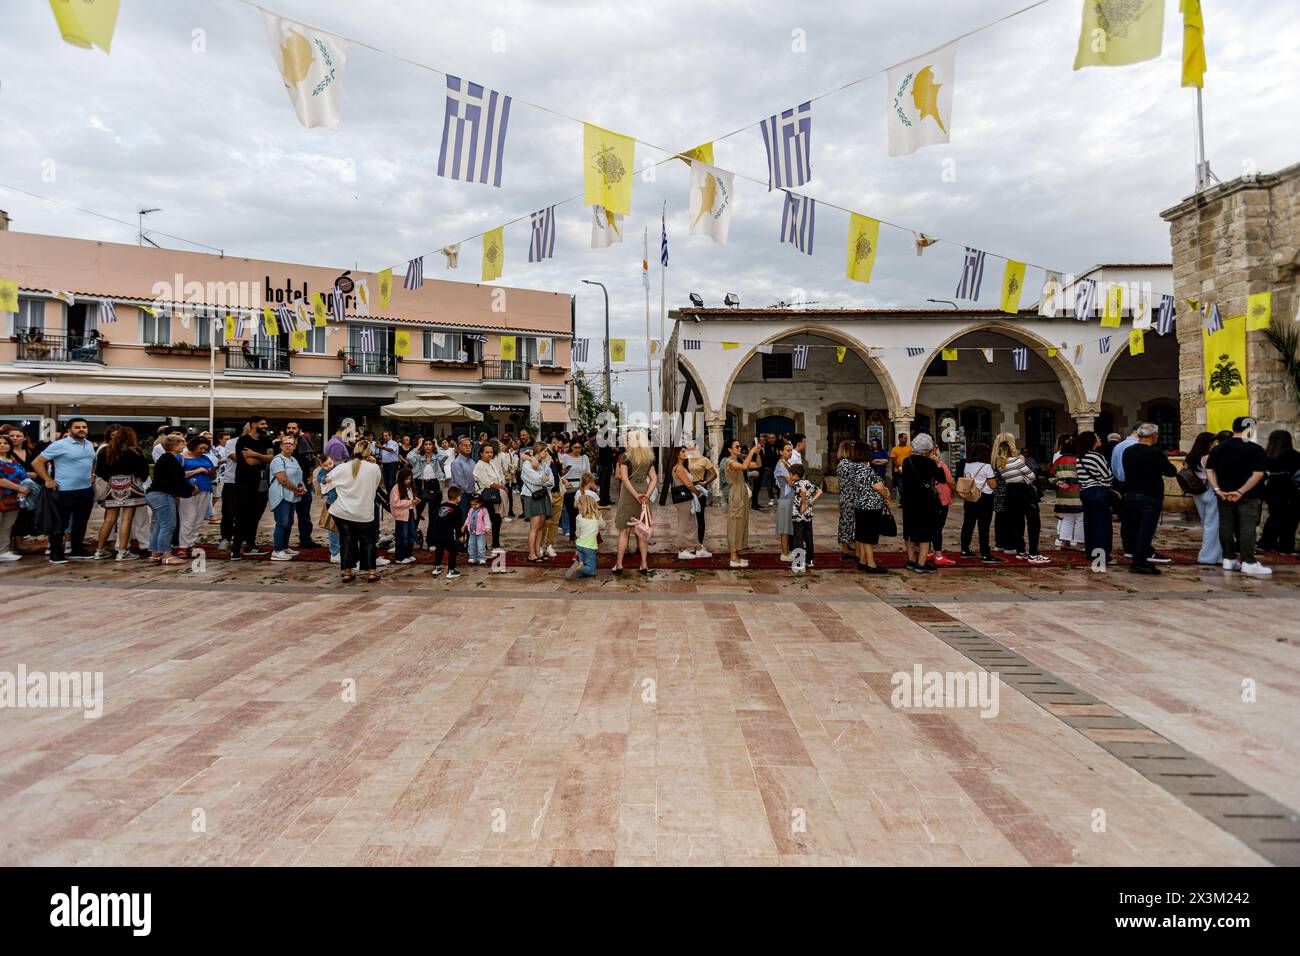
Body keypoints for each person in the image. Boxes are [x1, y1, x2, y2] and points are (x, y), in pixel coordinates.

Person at [1205, 416, 1271, 575]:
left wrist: (1217, 489)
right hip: (1248, 495)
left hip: (1224, 494)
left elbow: (1209, 470)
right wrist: (1241, 491)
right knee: (1247, 527)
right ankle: (1249, 562)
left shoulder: (1219, 448)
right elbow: (1258, 474)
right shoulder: (1255, 449)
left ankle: (1229, 559)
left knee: (1226, 526)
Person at [32, 417, 97, 564]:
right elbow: (37, 462)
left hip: (85, 490)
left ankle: (77, 549)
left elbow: (90, 461)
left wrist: (92, 474)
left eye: (84, 427)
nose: (82, 429)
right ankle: (55, 552)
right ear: (69, 430)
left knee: (81, 522)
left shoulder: (88, 444)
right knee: (60, 523)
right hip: (64, 490)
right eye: (77, 427)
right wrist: (48, 480)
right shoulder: (59, 445)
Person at [1120, 422, 1177, 574]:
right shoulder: (1155, 453)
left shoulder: (1128, 451)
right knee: (1146, 530)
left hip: (1130, 494)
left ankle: (1136, 556)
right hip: (1149, 495)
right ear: (1154, 436)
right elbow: (1171, 471)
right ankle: (1139, 562)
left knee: (1134, 527)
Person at [325, 439, 383, 583]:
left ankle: (347, 572)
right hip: (363, 512)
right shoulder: (374, 468)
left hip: (342, 511)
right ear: (369, 452)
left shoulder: (343, 467)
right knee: (368, 541)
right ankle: (371, 572)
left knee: (346, 540)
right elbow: (375, 485)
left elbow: (325, 481)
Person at [92, 425, 149, 561]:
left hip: (112, 485)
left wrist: (111, 478)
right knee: (126, 519)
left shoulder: (105, 450)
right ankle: (122, 552)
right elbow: (144, 471)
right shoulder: (134, 451)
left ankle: (99, 551)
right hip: (131, 485)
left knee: (109, 519)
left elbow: (99, 471)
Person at [613, 431, 657, 574]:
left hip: (628, 494)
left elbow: (625, 479)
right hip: (643, 491)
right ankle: (643, 564)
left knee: (624, 530)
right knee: (642, 530)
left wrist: (635, 495)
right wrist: (646, 495)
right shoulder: (648, 458)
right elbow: (654, 479)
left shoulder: (625, 457)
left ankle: (619, 564)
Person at [231, 416, 274, 560]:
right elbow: (249, 462)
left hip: (262, 483)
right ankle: (235, 549)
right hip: (244, 484)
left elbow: (271, 458)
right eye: (262, 423)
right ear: (253, 424)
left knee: (256, 516)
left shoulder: (267, 440)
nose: (265, 426)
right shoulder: (243, 441)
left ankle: (251, 545)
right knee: (242, 516)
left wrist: (255, 455)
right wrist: (263, 458)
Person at [1075, 431, 1119, 566]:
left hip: (1085, 492)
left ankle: (1091, 553)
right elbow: (1107, 476)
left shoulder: (1080, 457)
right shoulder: (1096, 456)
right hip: (1097, 493)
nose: (1099, 438)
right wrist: (1110, 487)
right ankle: (1102, 556)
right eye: (1096, 437)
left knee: (1090, 524)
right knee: (1102, 525)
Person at [147, 434, 192, 565]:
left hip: (154, 494)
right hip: (162, 495)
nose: (184, 445)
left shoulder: (165, 458)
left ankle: (154, 554)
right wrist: (190, 489)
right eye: (182, 443)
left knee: (159, 525)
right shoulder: (170, 460)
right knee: (168, 525)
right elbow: (177, 480)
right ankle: (166, 554)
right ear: (173, 445)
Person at [900, 433, 941, 573]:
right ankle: (921, 563)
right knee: (925, 530)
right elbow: (941, 477)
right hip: (925, 500)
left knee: (909, 530)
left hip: (909, 500)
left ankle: (911, 560)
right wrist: (937, 463)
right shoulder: (929, 463)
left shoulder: (907, 461)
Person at [1183, 431, 1222, 565]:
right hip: (1209, 491)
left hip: (1197, 492)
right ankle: (1208, 556)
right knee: (1213, 525)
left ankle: (1217, 554)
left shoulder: (1191, 457)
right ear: (1209, 443)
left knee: (1206, 524)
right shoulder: (1208, 457)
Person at [1259, 429, 1300, 555]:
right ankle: (1285, 547)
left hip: (1272, 494)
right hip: (1292, 495)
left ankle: (1266, 544)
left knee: (1274, 519)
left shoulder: (1266, 456)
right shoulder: (1295, 456)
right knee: (1290, 522)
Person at [723, 438, 761, 568]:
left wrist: (757, 453)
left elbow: (757, 465)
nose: (739, 448)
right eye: (737, 446)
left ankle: (737, 554)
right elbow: (744, 467)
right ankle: (733, 557)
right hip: (736, 494)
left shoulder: (739, 460)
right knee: (734, 524)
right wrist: (752, 451)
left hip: (743, 493)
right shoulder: (729, 462)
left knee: (741, 524)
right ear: (730, 449)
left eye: (739, 446)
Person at [267, 434, 306, 562]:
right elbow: (282, 480)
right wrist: (296, 490)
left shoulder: (293, 459)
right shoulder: (278, 460)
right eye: (285, 443)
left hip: (292, 495)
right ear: (281, 446)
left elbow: (298, 477)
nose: (288, 445)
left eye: (291, 443)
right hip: (281, 495)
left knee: (289, 522)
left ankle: (284, 547)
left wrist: (302, 488)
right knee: (282, 522)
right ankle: (277, 551)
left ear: (294, 446)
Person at [959, 442, 999, 564]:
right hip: (984, 498)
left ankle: (964, 549)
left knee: (968, 524)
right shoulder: (986, 467)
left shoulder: (967, 465)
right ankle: (985, 553)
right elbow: (992, 485)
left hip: (970, 497)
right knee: (984, 526)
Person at [178, 436, 216, 558]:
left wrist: (211, 472)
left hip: (205, 489)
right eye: (201, 448)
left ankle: (191, 543)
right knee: (188, 518)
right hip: (188, 491)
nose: (203, 451)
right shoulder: (181, 458)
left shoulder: (205, 458)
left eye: (205, 449)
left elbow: (213, 474)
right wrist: (197, 471)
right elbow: (177, 475)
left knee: (198, 519)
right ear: (193, 446)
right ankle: (183, 546)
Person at [285, 422, 318, 550]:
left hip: (304, 483)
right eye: (289, 428)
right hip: (286, 484)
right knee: (286, 516)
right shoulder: (281, 444)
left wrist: (311, 475)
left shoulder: (306, 442)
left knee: (304, 513)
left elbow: (314, 459)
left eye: (294, 428)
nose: (291, 430)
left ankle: (305, 540)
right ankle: (283, 544)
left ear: (299, 430)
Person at [521, 443, 555, 562]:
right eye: (545, 451)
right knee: (534, 527)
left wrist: (543, 479)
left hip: (543, 495)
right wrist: (543, 478)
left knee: (541, 526)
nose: (547, 453)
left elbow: (551, 481)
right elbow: (535, 479)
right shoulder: (527, 464)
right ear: (539, 451)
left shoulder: (544, 464)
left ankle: (537, 552)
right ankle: (531, 554)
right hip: (531, 496)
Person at [0, 433, 32, 561]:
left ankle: (3, 551)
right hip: (3, 495)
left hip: (13, 499)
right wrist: (19, 488)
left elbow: (23, 476)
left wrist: (26, 487)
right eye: (0, 443)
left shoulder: (13, 461)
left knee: (7, 526)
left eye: (5, 443)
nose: (3, 445)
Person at [670, 446, 705, 560]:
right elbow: (688, 484)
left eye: (685, 451)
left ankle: (698, 548)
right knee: (684, 524)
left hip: (687, 499)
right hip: (683, 499)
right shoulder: (679, 468)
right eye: (683, 451)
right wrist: (698, 493)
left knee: (691, 524)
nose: (685, 453)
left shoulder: (682, 467)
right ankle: (681, 550)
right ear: (677, 454)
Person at [407, 438, 443, 546]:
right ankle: (411, 538)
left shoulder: (436, 458)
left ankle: (431, 541)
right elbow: (409, 457)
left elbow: (444, 456)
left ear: (432, 446)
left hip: (434, 485)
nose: (427, 446)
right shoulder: (418, 458)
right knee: (416, 514)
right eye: (425, 444)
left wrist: (437, 445)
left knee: (433, 516)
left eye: (430, 444)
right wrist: (418, 445)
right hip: (420, 486)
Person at [1050, 436, 1084, 550]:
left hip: (1063, 494)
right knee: (1080, 519)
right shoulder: (1078, 460)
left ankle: (1065, 542)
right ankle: (1080, 543)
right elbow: (1082, 476)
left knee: (1066, 518)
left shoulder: (1058, 461)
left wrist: (1058, 482)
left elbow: (1050, 476)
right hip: (1077, 493)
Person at [474, 443, 508, 555]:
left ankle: (495, 544)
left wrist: (501, 486)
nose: (489, 454)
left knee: (496, 519)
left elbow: (498, 478)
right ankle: (484, 546)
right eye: (487, 452)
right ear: (481, 453)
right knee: (487, 520)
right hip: (485, 496)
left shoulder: (491, 463)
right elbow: (488, 483)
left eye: (491, 452)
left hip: (494, 495)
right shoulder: (479, 465)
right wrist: (502, 488)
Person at [684, 442, 716, 558]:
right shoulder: (686, 459)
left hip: (700, 488)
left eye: (692, 445)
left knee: (700, 516)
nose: (690, 447)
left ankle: (699, 544)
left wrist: (705, 482)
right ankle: (689, 543)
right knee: (688, 517)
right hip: (688, 487)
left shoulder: (704, 460)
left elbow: (714, 474)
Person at [788, 463, 821, 570]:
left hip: (798, 515)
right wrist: (811, 502)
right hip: (808, 515)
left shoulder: (796, 483)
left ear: (795, 475)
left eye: (790, 474)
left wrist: (803, 504)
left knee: (798, 538)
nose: (790, 476)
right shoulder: (807, 482)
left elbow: (803, 491)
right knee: (808, 537)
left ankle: (799, 563)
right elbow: (820, 491)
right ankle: (809, 561)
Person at [930, 445, 957, 566]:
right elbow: (949, 480)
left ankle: (928, 552)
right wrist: (954, 489)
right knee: (938, 527)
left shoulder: (922, 465)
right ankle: (938, 555)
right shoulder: (940, 465)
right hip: (941, 498)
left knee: (930, 526)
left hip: (928, 499)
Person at [429, 485, 462, 579]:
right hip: (447, 534)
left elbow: (433, 517)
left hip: (436, 532)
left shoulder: (441, 505)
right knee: (453, 550)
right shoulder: (457, 509)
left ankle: (436, 568)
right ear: (458, 498)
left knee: (439, 550)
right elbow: (458, 524)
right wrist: (459, 536)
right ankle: (451, 571)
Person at [313, 455, 341, 564]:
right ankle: (334, 553)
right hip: (332, 502)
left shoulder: (338, 467)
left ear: (332, 460)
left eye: (330, 463)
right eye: (325, 466)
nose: (328, 467)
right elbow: (321, 478)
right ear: (320, 466)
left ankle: (341, 550)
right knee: (333, 528)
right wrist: (325, 479)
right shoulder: (322, 472)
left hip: (343, 501)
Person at [560, 440, 590, 542]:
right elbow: (560, 472)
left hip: (582, 486)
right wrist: (565, 481)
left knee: (582, 511)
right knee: (571, 511)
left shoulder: (584, 457)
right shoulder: (565, 457)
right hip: (569, 486)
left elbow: (588, 472)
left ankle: (582, 534)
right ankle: (572, 534)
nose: (577, 449)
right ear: (571, 447)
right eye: (575, 447)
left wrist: (588, 485)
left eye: (579, 447)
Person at [567, 492, 603, 578]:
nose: (577, 504)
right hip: (590, 547)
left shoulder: (579, 517)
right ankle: (579, 568)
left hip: (579, 545)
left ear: (582, 506)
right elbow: (602, 525)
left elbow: (577, 533)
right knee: (592, 571)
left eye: (579, 503)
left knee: (583, 562)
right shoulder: (597, 516)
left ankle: (580, 570)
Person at [390, 467, 417, 564]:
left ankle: (408, 554)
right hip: (401, 515)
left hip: (410, 513)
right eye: (406, 479)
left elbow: (410, 499)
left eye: (410, 479)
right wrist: (410, 502)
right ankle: (400, 557)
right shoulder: (396, 488)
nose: (408, 481)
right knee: (403, 537)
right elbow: (395, 503)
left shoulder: (410, 487)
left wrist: (415, 500)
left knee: (411, 535)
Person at [773, 440, 795, 559]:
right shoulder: (781, 465)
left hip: (789, 497)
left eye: (791, 450)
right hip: (785, 498)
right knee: (785, 527)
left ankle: (787, 551)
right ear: (781, 452)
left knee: (788, 526)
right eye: (787, 450)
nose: (790, 452)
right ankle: (784, 553)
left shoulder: (786, 463)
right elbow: (790, 482)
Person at [449, 436, 477, 523]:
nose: (468, 447)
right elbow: (460, 482)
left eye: (469, 446)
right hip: (462, 496)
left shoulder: (472, 462)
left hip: (472, 494)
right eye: (465, 445)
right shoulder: (456, 463)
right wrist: (472, 491)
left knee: (472, 520)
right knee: (463, 520)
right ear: (459, 447)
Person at [463, 492, 490, 565]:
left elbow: (487, 520)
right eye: (471, 504)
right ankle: (472, 557)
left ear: (480, 503)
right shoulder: (471, 510)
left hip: (481, 532)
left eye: (475, 504)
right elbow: (468, 519)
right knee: (471, 545)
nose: (473, 506)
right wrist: (464, 525)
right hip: (472, 531)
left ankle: (482, 558)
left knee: (481, 545)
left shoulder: (484, 510)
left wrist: (487, 528)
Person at [889, 433, 911, 503]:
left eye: (906, 438)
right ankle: (903, 500)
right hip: (898, 471)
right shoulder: (895, 449)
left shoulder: (909, 448)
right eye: (905, 438)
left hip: (908, 470)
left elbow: (911, 459)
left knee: (908, 486)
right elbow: (894, 460)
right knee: (900, 486)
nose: (906, 440)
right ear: (900, 438)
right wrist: (900, 467)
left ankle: (905, 501)